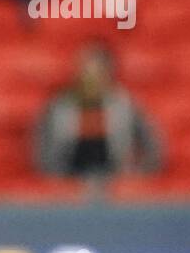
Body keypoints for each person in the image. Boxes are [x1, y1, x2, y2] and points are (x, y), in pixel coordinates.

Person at [34, 42, 163, 179]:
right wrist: (54, 178)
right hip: (67, 185)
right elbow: (41, 149)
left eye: (96, 73)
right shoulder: (58, 107)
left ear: (108, 73)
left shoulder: (125, 105)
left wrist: (138, 175)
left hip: (114, 183)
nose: (90, 79)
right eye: (85, 71)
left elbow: (153, 146)